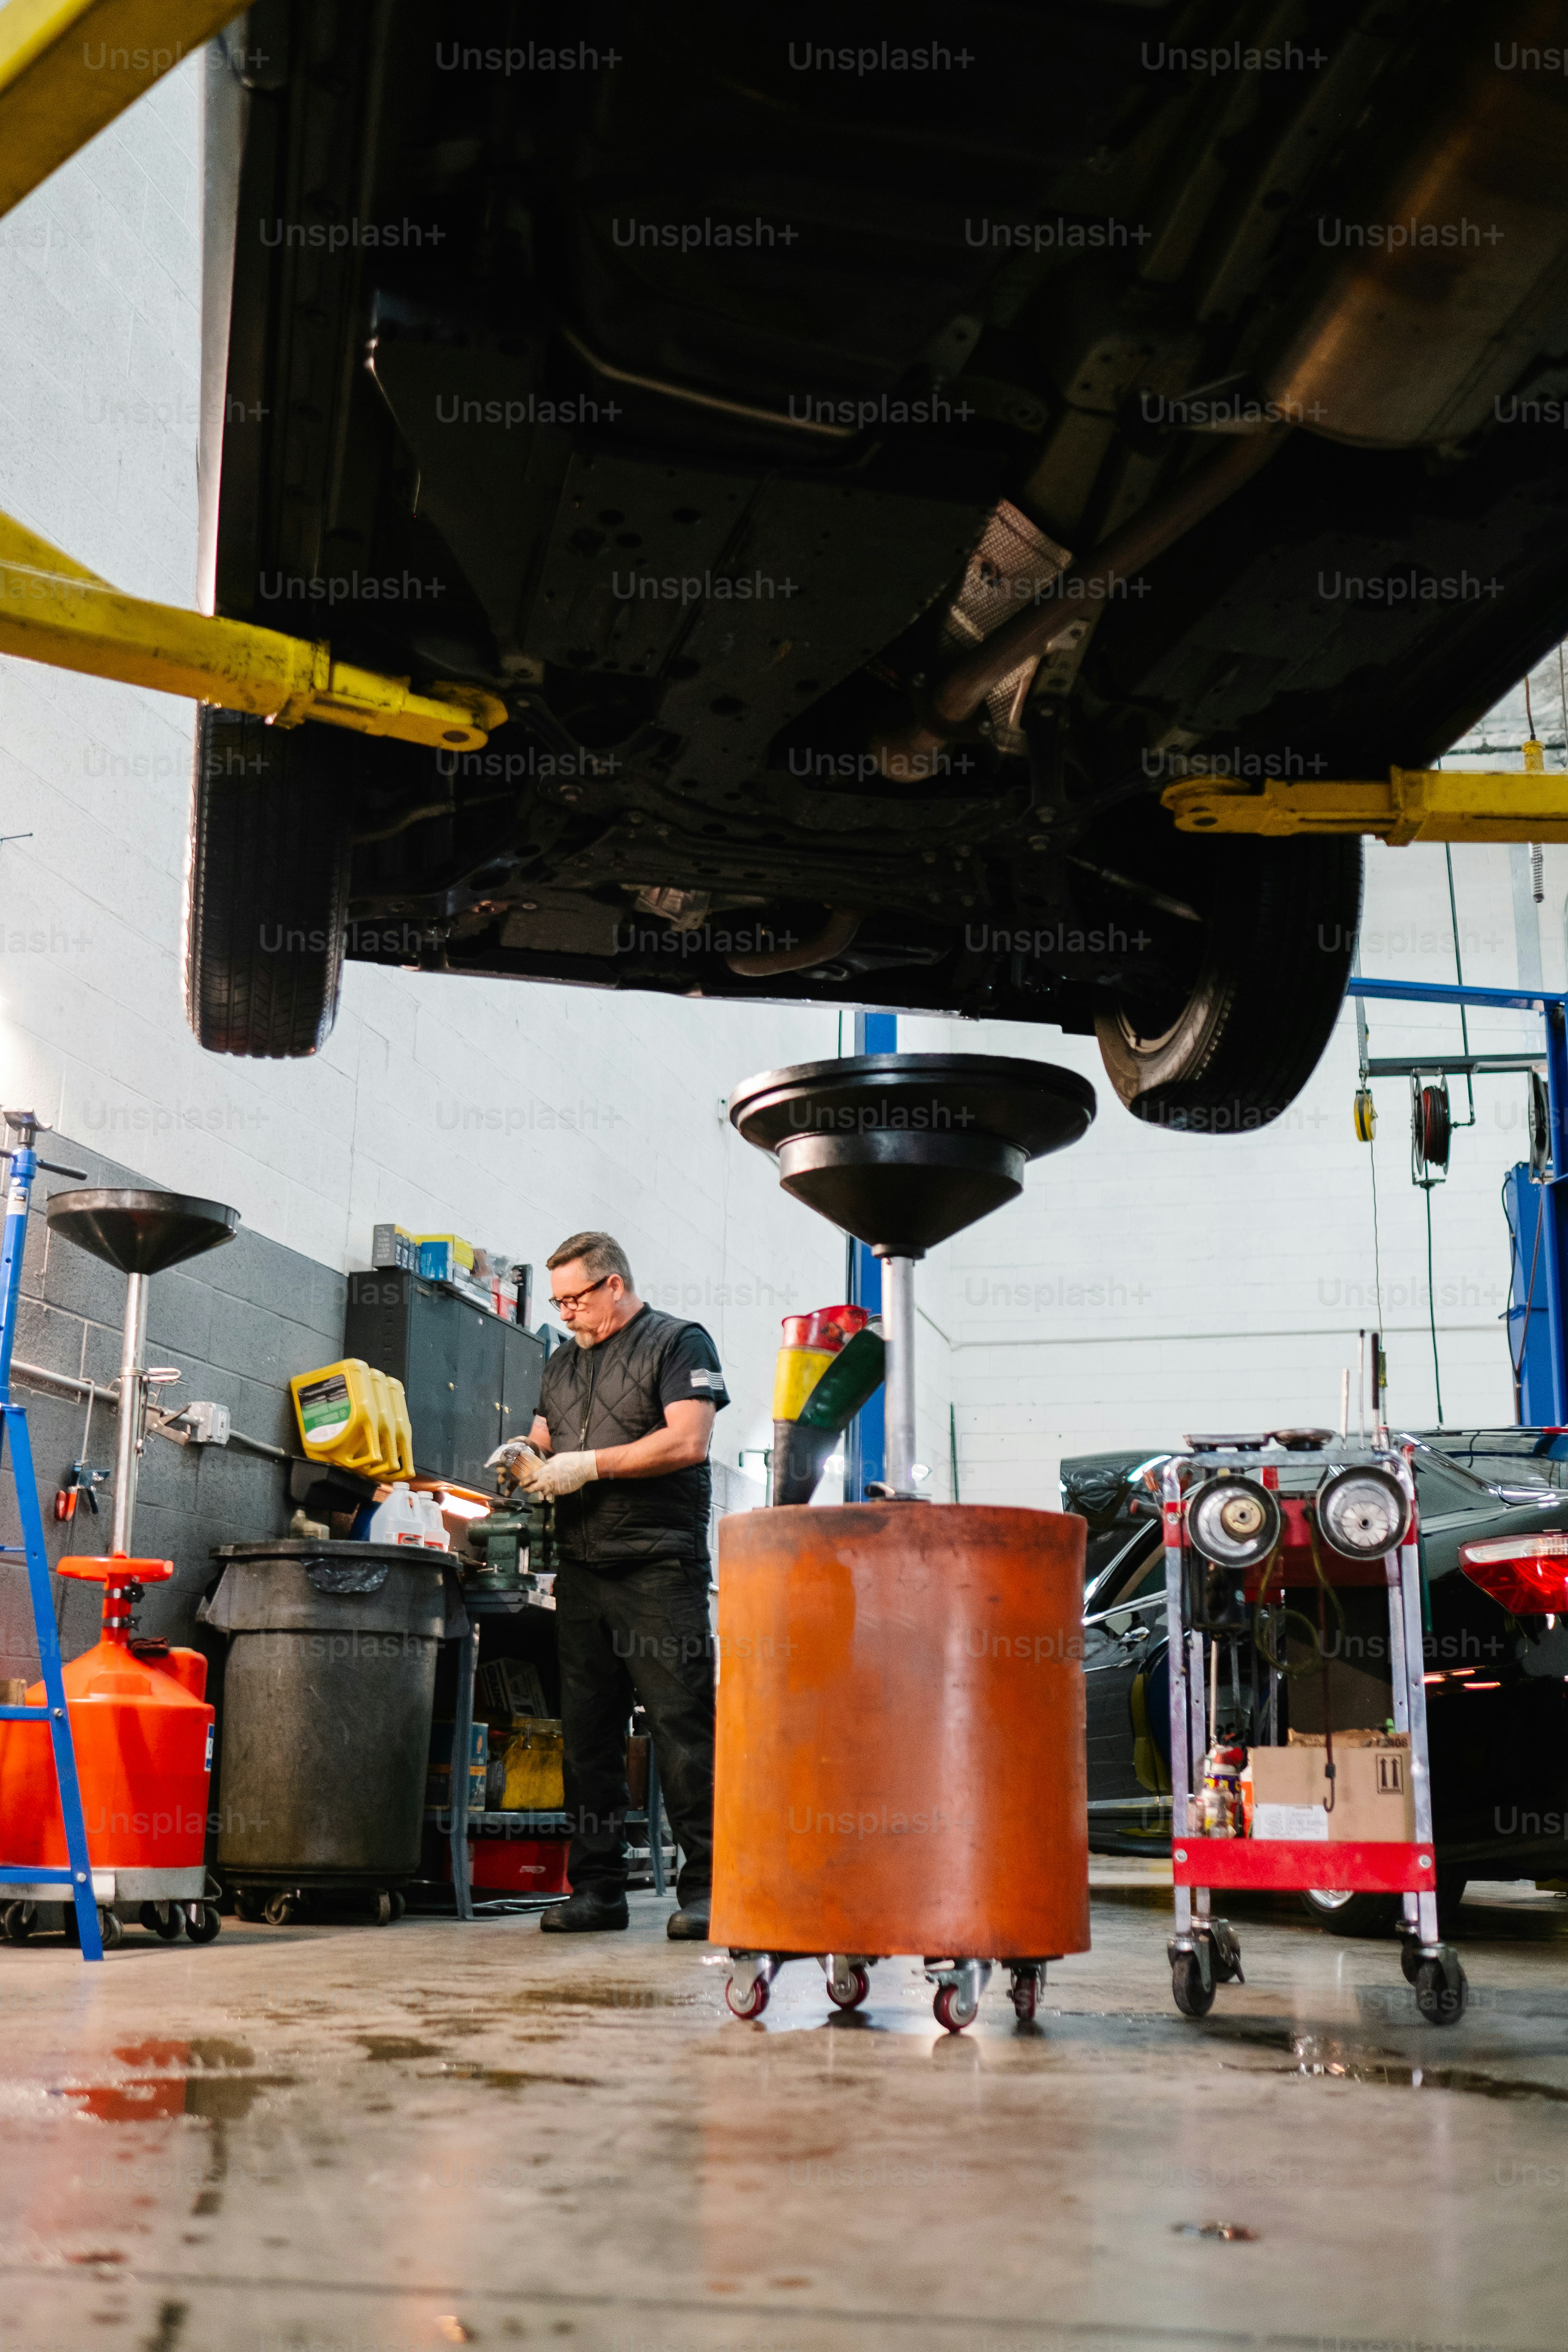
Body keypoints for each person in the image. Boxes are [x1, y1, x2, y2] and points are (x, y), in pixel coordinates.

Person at [513, 1231, 726, 1938]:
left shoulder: (678, 1344)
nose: (567, 1312)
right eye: (558, 1301)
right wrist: (526, 1455)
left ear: (614, 1285)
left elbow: (688, 1441)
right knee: (588, 1737)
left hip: (658, 1568)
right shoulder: (562, 1363)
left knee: (683, 1728)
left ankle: (711, 1890)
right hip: (583, 1568)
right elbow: (546, 1438)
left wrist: (592, 1466)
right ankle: (598, 1890)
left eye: (576, 1298)